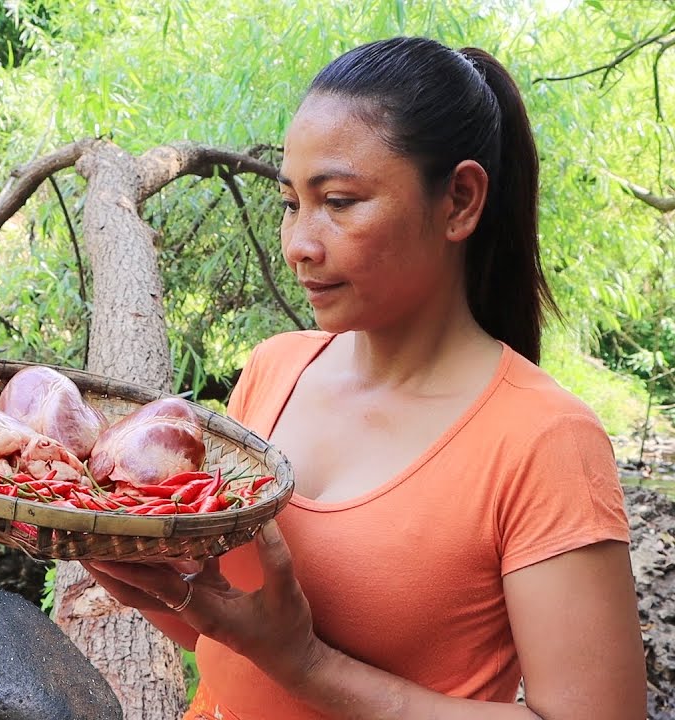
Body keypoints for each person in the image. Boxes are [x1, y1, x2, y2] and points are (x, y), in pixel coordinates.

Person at [82, 37, 647, 720]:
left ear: (460, 201)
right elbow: (233, 646)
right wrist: (147, 584)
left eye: (341, 201)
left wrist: (310, 667)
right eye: (291, 203)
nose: (299, 244)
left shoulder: (546, 442)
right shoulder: (275, 369)